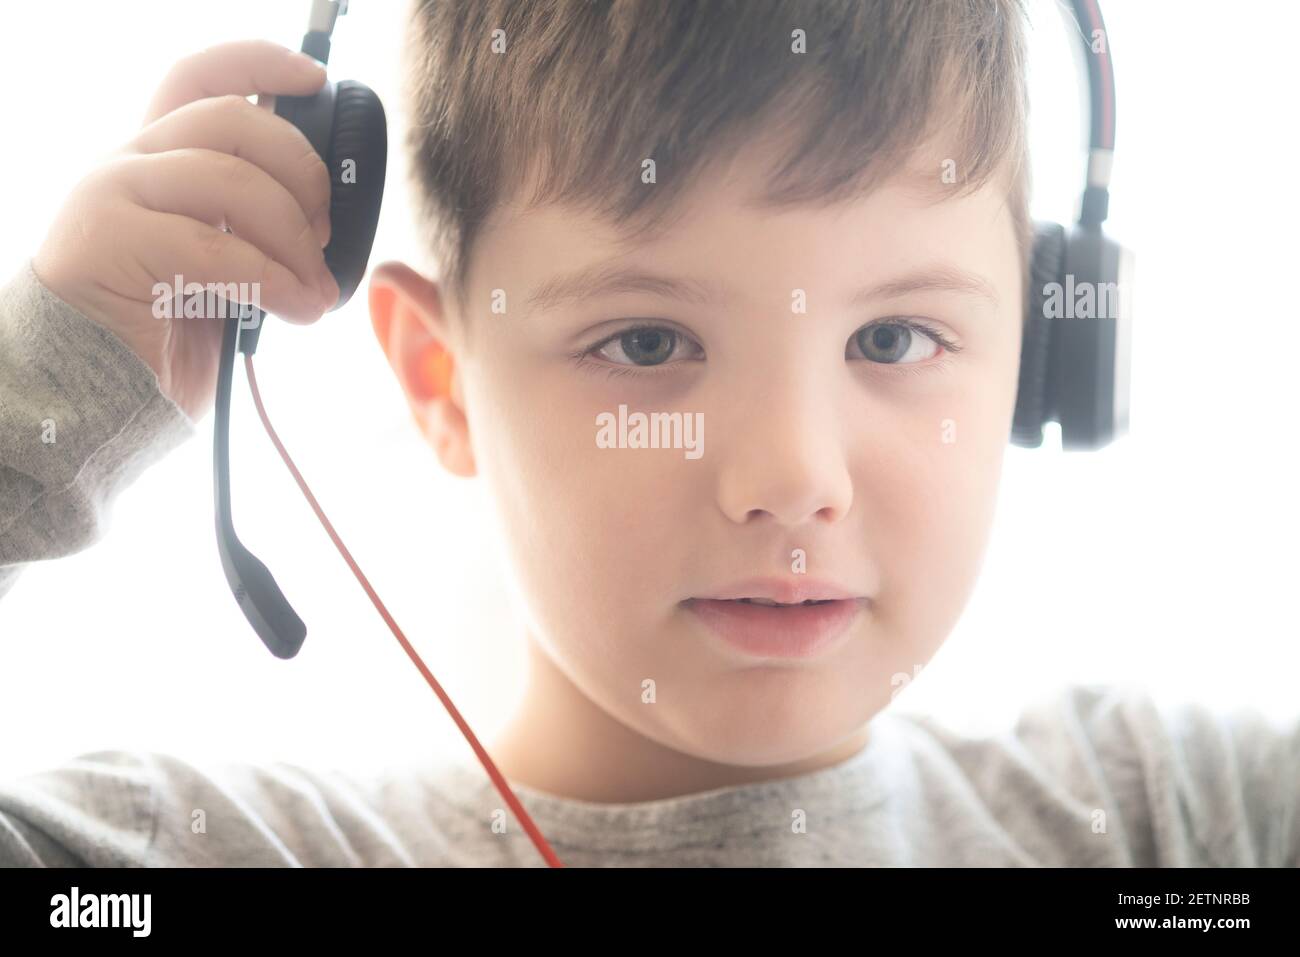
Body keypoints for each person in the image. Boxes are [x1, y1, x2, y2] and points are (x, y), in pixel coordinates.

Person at [0, 1, 1294, 867]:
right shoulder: (213, 854)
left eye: (893, 339)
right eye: (649, 343)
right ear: (442, 378)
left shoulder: (1167, 825)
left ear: (1044, 355)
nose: (792, 477)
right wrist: (47, 394)